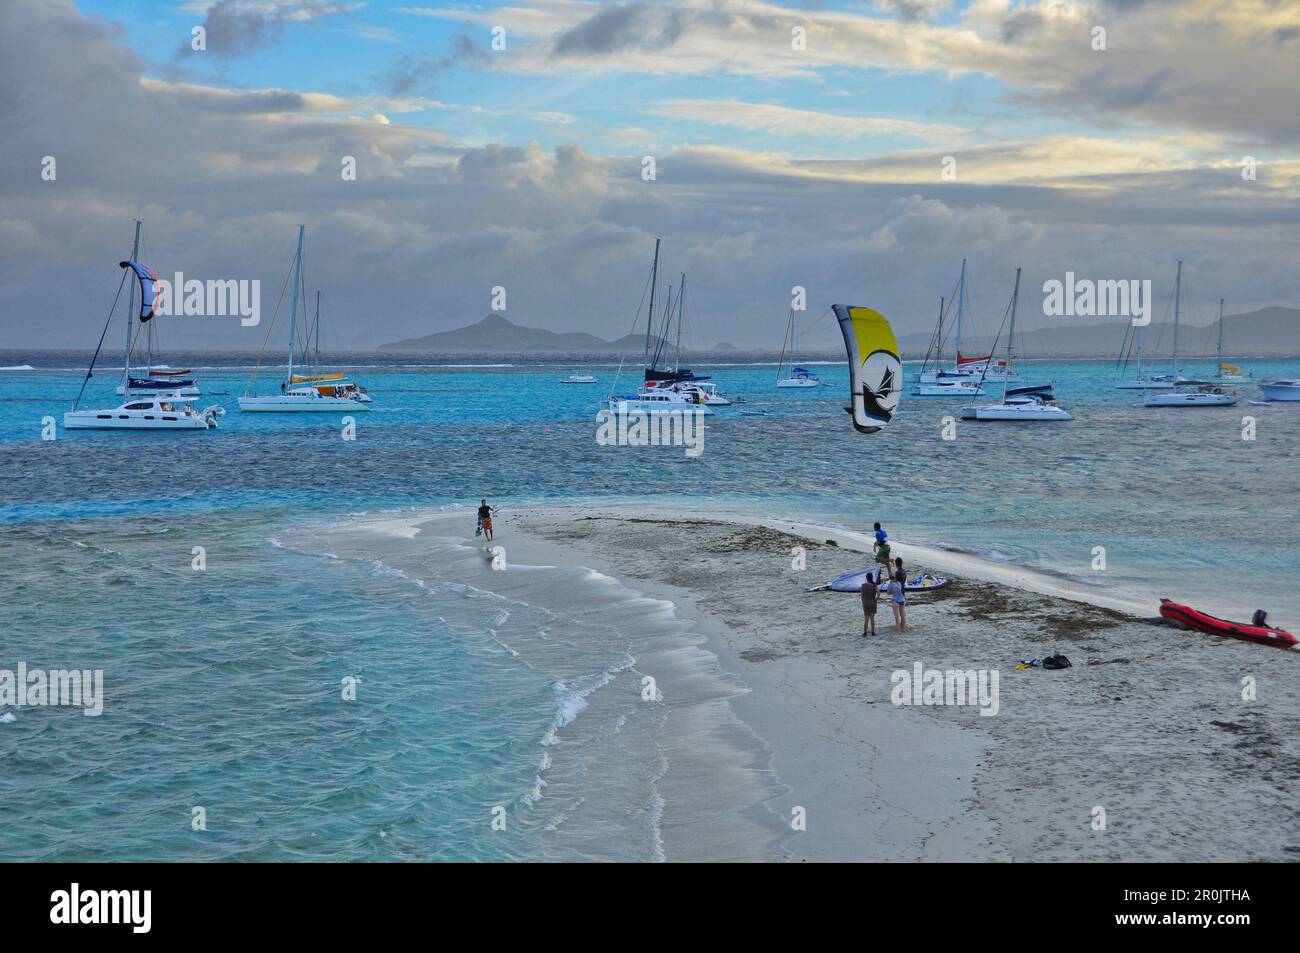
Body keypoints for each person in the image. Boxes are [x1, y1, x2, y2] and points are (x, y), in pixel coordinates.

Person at [860, 572, 879, 637]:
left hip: (865, 603)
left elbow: (862, 595)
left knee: (866, 618)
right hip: (872, 602)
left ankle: (865, 632)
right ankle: (873, 632)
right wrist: (876, 599)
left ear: (866, 578)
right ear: (872, 578)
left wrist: (863, 602)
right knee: (872, 618)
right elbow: (878, 593)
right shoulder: (874, 585)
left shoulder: (863, 585)